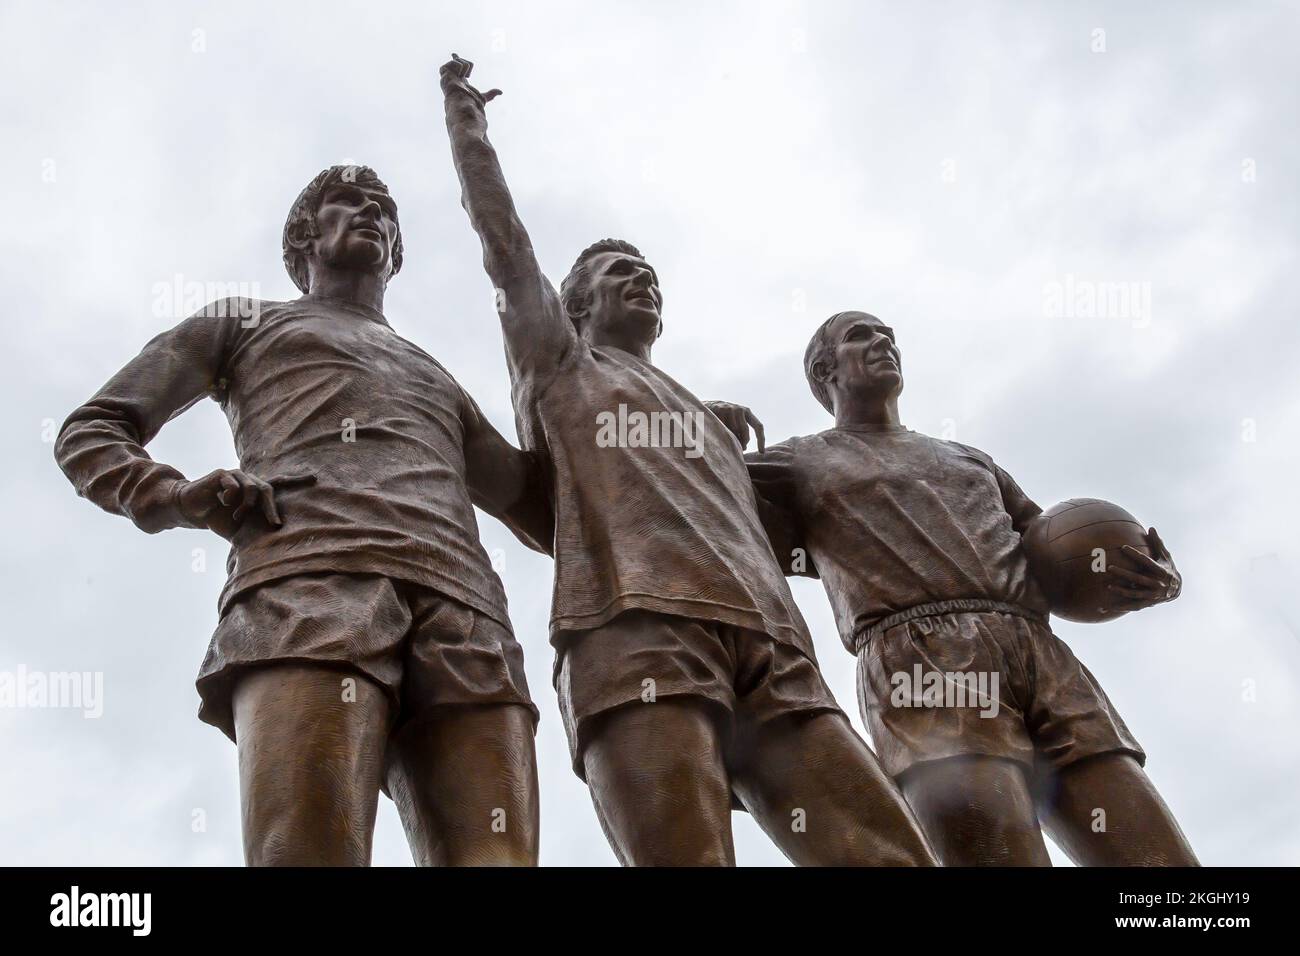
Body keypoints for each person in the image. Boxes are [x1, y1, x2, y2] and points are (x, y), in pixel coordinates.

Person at [441, 56, 936, 866]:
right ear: (574, 304)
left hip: (773, 647)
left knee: (893, 857)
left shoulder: (706, 421)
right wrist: (467, 125)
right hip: (634, 634)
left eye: (651, 276)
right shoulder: (559, 363)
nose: (644, 284)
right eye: (620, 275)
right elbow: (506, 244)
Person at [55, 164, 550, 866]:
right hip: (307, 588)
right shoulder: (243, 323)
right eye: (350, 202)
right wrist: (170, 495)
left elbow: (545, 513)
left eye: (385, 208)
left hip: (466, 614)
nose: (373, 212)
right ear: (304, 235)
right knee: (308, 853)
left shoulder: (436, 378)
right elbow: (92, 429)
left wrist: (667, 435)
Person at [746, 310, 1199, 865]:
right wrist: (696, 429)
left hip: (1040, 652)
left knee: (1164, 869)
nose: (884, 341)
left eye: (889, 333)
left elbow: (1048, 542)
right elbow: (692, 498)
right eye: (861, 335)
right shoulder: (799, 460)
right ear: (824, 368)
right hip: (920, 661)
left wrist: (1146, 574)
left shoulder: (969, 458)